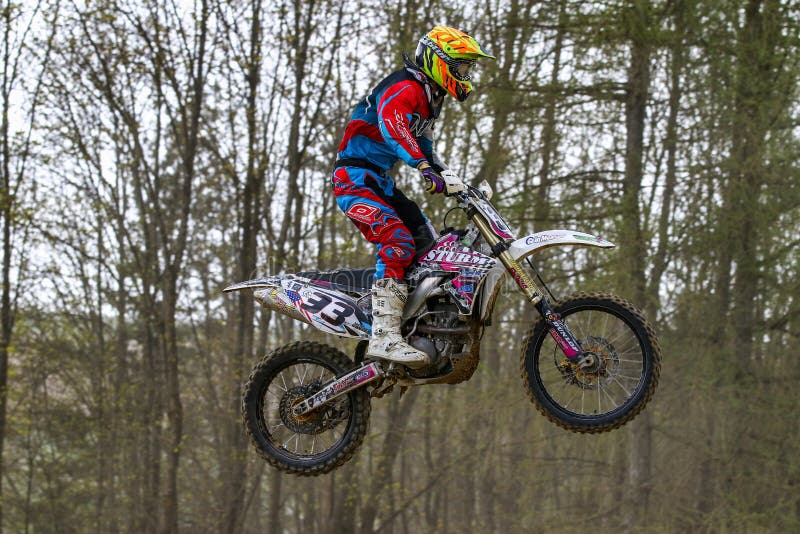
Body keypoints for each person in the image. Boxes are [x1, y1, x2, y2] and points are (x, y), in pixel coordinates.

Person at [331, 26, 495, 368]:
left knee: (430, 243)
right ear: (441, 62)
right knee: (398, 241)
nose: (466, 75)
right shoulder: (406, 87)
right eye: (463, 67)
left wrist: (456, 183)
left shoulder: (429, 97)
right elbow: (394, 127)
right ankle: (384, 335)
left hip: (377, 182)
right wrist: (421, 165)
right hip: (354, 181)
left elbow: (426, 147)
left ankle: (419, 326)